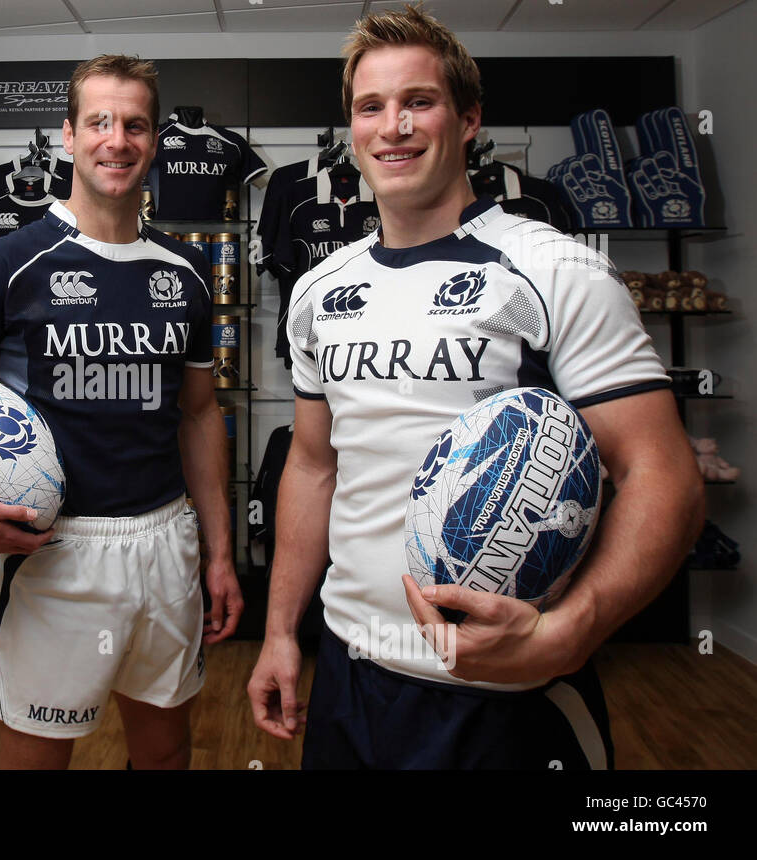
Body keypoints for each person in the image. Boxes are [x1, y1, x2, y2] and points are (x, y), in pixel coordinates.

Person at [247, 3, 703, 769]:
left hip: (505, 693)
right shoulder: (320, 290)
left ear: (468, 121)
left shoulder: (555, 269)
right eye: (371, 106)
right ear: (352, 129)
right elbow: (314, 465)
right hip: (351, 678)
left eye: (418, 102)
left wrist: (570, 633)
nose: (393, 126)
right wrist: (281, 633)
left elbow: (663, 475)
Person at [0, 54, 243, 770]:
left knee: (166, 753)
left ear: (155, 141)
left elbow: (199, 417)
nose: (117, 140)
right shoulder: (6, 262)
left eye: (135, 124)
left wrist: (220, 553)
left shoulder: (186, 273)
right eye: (98, 121)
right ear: (68, 136)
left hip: (167, 543)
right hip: (55, 554)